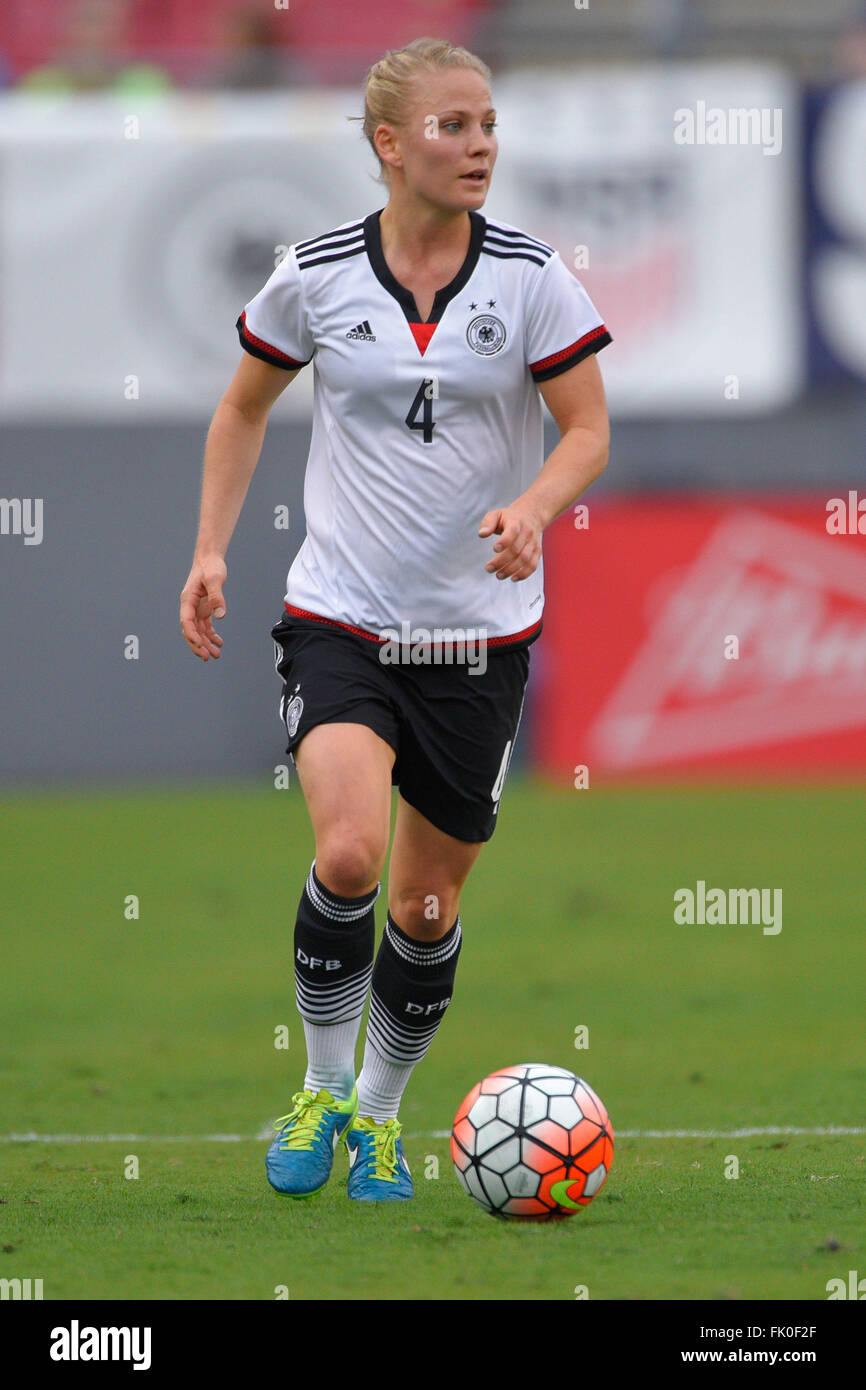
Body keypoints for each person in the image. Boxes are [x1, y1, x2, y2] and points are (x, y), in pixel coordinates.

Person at [180, 36, 611, 1203]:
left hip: (478, 635)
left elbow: (584, 430)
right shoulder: (314, 273)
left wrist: (530, 507)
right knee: (349, 851)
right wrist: (212, 548)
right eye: (451, 127)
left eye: (486, 127)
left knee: (426, 905)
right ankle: (322, 1092)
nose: (477, 146)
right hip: (343, 618)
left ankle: (378, 1115)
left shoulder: (531, 279)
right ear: (387, 145)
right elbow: (241, 405)